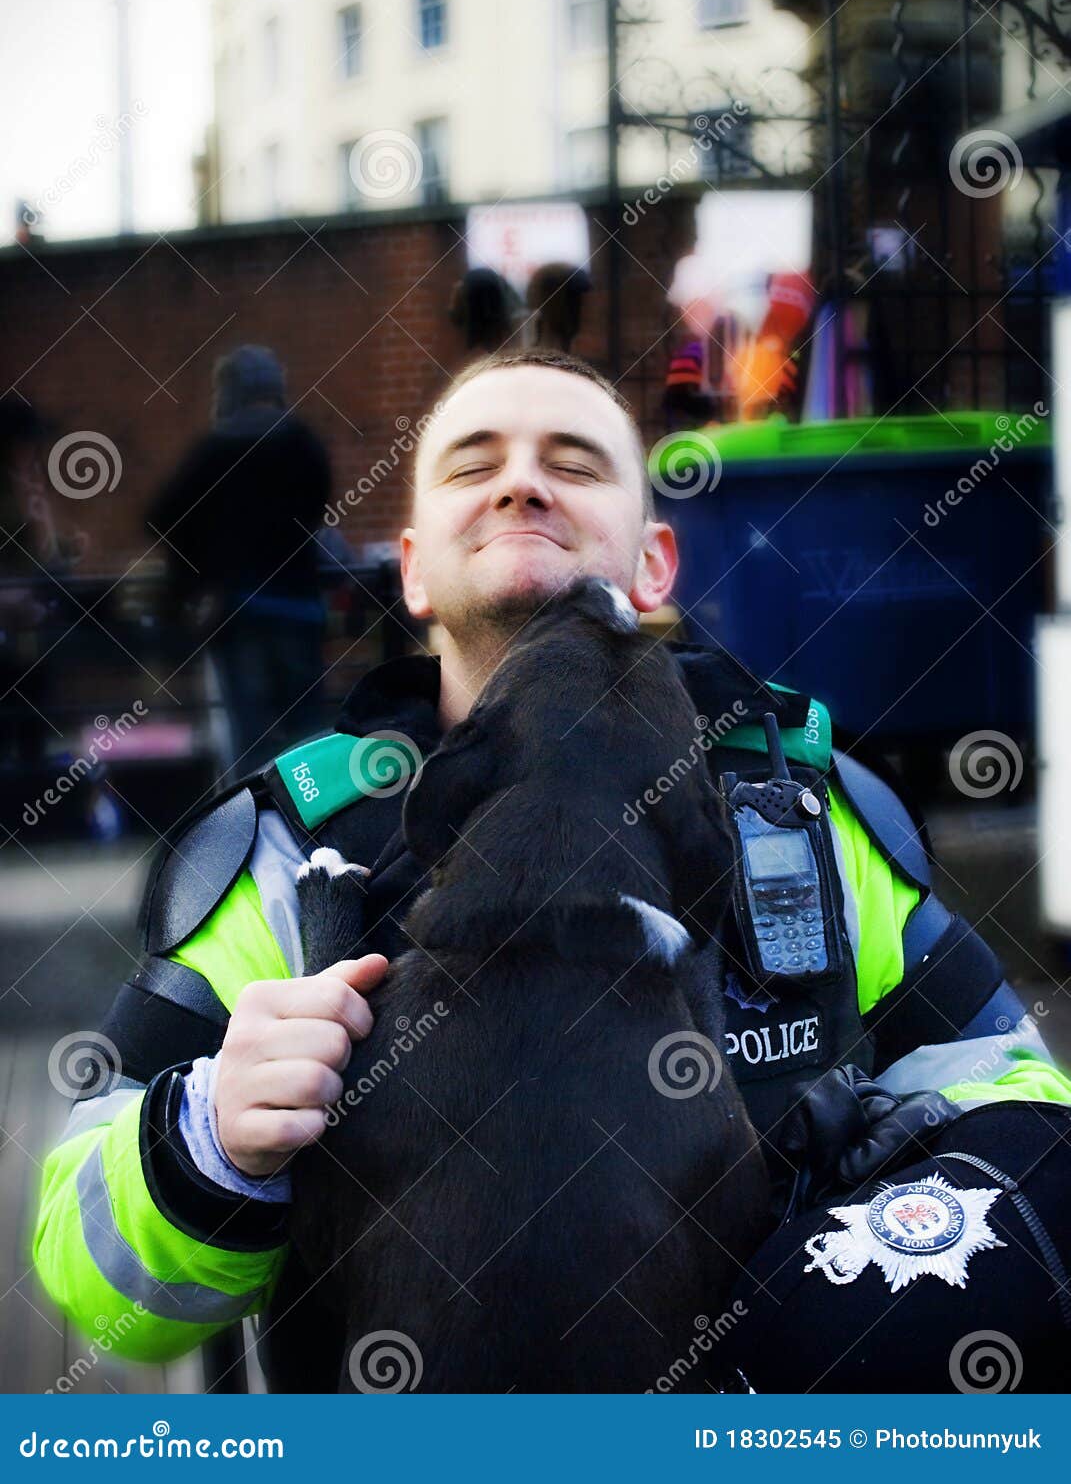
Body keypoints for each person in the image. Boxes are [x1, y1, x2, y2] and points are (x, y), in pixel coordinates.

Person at [33, 351, 1071, 1392]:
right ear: (412, 571)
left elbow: (1022, 1099)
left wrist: (854, 1295)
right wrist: (209, 1139)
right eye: (471, 464)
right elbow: (93, 1280)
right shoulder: (283, 856)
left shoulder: (806, 815)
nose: (521, 482)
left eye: (573, 463)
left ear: (655, 564)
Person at [145, 345, 331, 784]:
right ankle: (318, 827)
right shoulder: (304, 443)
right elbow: (316, 509)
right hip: (300, 608)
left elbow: (163, 514)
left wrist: (199, 573)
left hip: (239, 610)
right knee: (308, 734)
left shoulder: (214, 449)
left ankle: (254, 833)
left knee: (250, 742)